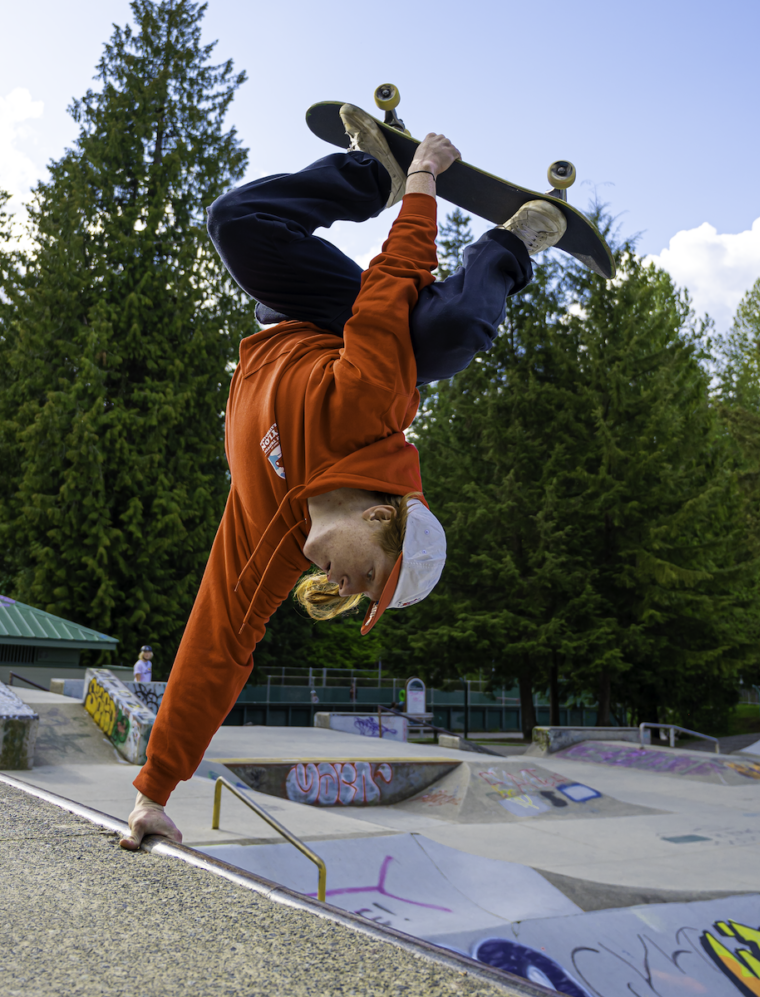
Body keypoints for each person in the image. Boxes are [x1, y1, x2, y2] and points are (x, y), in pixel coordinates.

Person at [120, 105, 566, 850]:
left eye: (363, 599)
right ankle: (406, 192)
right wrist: (421, 177)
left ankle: (485, 226)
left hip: (289, 318)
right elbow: (392, 282)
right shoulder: (370, 411)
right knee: (252, 229)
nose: (350, 588)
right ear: (380, 520)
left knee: (248, 231)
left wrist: (153, 791)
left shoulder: (275, 541)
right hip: (359, 323)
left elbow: (215, 645)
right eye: (371, 580)